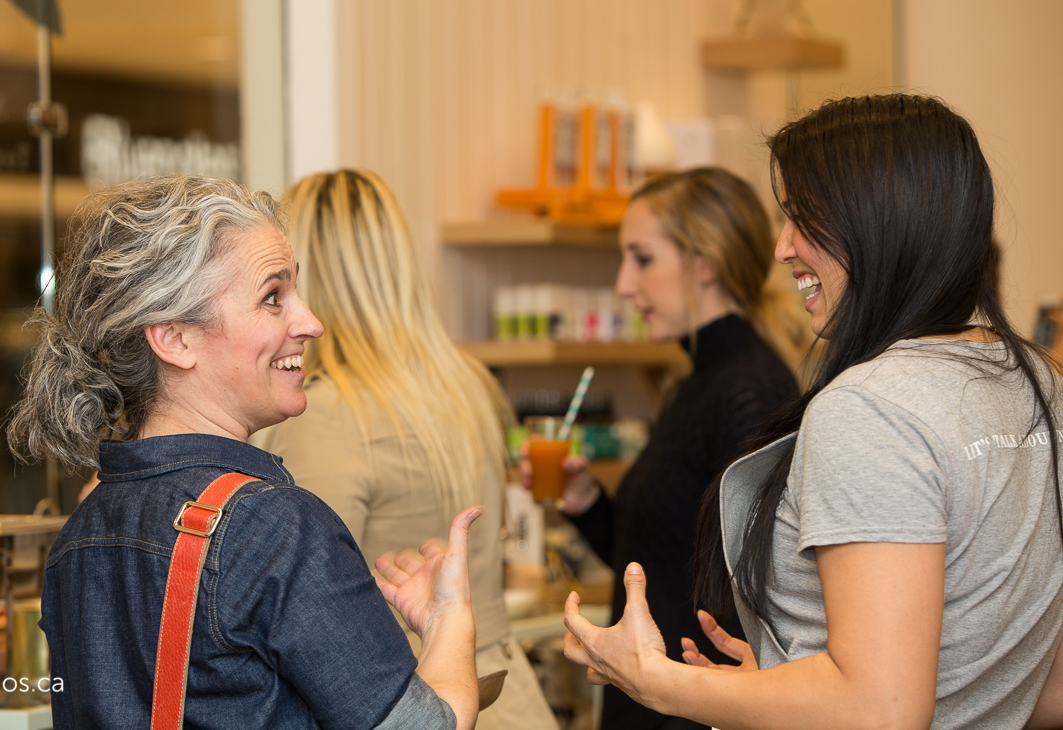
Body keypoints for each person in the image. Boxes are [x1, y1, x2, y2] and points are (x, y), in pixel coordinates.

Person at [562, 93, 1063, 730]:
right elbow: (1043, 689)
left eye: (804, 219)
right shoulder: (1034, 383)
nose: (783, 249)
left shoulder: (872, 408)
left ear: (881, 223)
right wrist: (786, 680)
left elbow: (878, 709)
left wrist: (656, 682)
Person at [6, 174, 483, 730]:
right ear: (175, 338)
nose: (311, 323)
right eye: (272, 297)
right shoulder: (277, 530)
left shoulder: (81, 533)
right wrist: (451, 620)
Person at [252, 168, 557, 730]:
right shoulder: (464, 384)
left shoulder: (328, 413)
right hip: (506, 696)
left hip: (416, 707)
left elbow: (300, 606)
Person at [523, 166, 807, 730]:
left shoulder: (748, 390)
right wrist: (586, 503)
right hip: (661, 697)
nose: (625, 285)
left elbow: (749, 595)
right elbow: (662, 563)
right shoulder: (694, 383)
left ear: (706, 263)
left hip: (692, 706)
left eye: (643, 258)